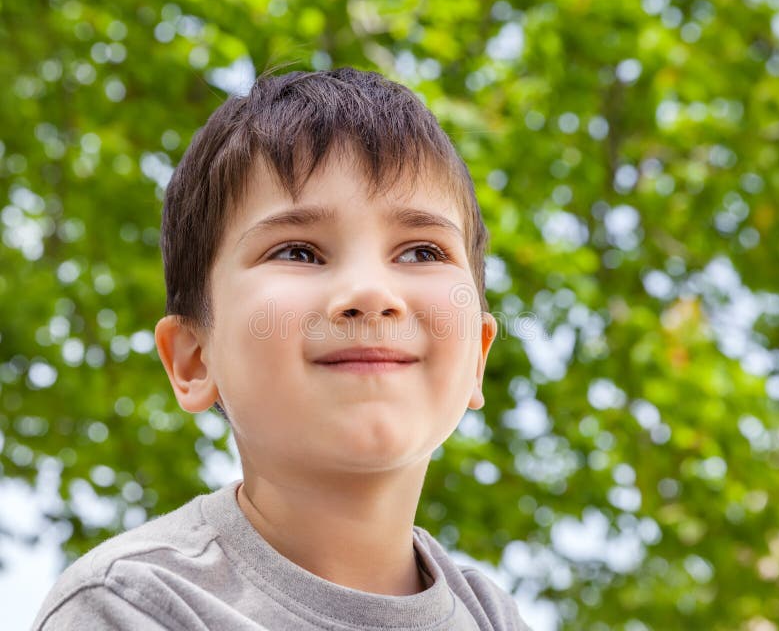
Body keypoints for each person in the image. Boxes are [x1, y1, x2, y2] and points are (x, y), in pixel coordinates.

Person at [32, 67, 530, 630]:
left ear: (478, 358)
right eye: (298, 252)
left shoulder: (493, 616)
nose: (371, 293)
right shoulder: (134, 602)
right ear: (194, 359)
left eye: (421, 252)